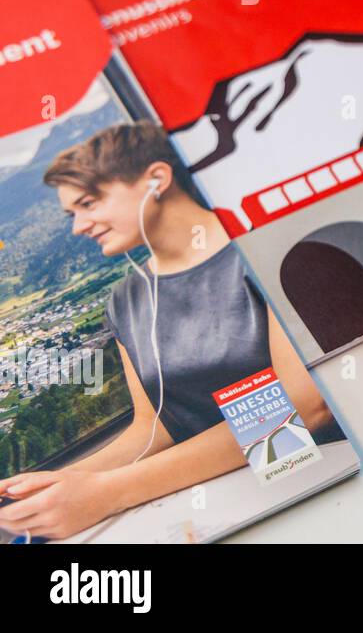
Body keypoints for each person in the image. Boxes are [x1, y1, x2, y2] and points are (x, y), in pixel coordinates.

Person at [0, 121, 336, 540]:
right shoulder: (126, 300)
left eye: (88, 203)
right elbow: (154, 428)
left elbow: (306, 404)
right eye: (72, 214)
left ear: (157, 178)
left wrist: (109, 493)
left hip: (324, 477)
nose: (78, 227)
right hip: (229, 498)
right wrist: (47, 489)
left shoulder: (261, 247)